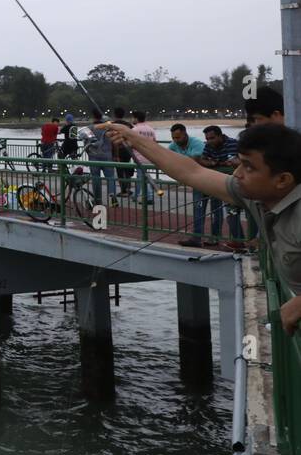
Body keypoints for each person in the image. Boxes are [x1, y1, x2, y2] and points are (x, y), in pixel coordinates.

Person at [105, 121, 301, 334]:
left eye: (249, 167)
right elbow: (191, 172)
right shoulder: (259, 196)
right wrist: (133, 139)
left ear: (282, 180)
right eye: (240, 163)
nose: (237, 174)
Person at [199, 126, 244, 248]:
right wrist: (215, 163)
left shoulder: (233, 144)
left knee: (235, 212)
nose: (209, 141)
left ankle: (244, 241)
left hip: (234, 184)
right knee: (222, 212)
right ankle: (222, 239)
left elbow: (240, 161)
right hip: (217, 182)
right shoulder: (209, 146)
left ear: (220, 136)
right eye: (207, 139)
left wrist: (229, 163)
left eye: (212, 138)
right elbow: (202, 160)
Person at [167, 123, 208, 247]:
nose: (175, 140)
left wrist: (179, 163)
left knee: (216, 211)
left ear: (185, 134)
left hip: (210, 178)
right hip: (196, 181)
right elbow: (167, 158)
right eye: (173, 138)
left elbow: (195, 159)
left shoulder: (196, 143)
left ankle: (214, 238)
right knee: (197, 209)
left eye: (178, 137)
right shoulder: (173, 145)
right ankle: (197, 238)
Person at [82, 109, 118, 206]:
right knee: (110, 177)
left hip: (94, 157)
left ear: (93, 117)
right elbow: (114, 142)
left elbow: (86, 144)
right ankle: (112, 197)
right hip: (107, 156)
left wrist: (89, 153)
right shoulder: (107, 128)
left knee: (96, 178)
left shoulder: (89, 128)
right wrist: (115, 155)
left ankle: (98, 200)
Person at [130, 110, 156, 203]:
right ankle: (136, 195)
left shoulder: (135, 130)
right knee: (140, 176)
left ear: (136, 118)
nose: (132, 119)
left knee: (143, 177)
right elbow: (154, 143)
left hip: (139, 157)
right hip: (149, 156)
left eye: (133, 117)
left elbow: (130, 143)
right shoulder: (151, 129)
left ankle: (149, 197)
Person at [110, 108, 134, 196]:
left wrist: (115, 155)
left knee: (120, 170)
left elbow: (112, 140)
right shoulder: (129, 125)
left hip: (118, 150)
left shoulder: (113, 125)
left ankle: (123, 190)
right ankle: (128, 188)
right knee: (127, 169)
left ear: (115, 114)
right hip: (128, 150)